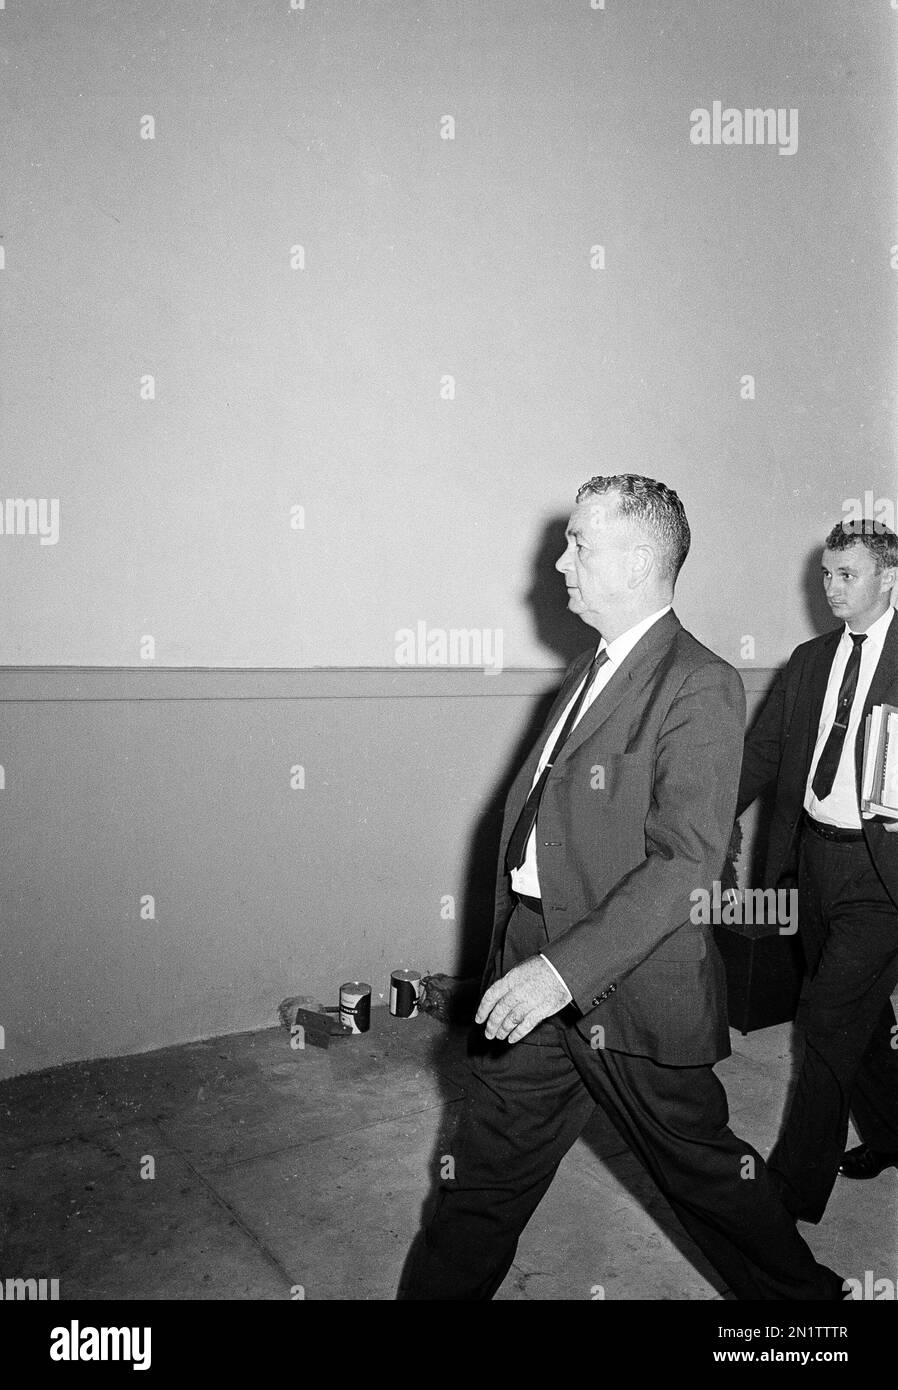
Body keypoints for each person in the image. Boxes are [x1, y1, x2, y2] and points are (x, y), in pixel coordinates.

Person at [398, 474, 844, 1300]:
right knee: (482, 1184)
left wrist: (562, 971)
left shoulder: (697, 681)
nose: (560, 562)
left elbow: (686, 861)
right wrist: (523, 955)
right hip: (531, 960)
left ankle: (812, 1315)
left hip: (622, 984)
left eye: (579, 544)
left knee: (705, 1178)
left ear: (639, 561)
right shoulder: (589, 669)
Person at [737, 518, 898, 1224]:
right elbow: (762, 756)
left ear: (888, 578)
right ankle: (894, 1133)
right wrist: (692, 820)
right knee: (857, 1018)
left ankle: (789, 1193)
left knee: (825, 1019)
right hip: (810, 867)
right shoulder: (808, 661)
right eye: (826, 574)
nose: (831, 588)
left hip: (882, 876)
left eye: (847, 575)